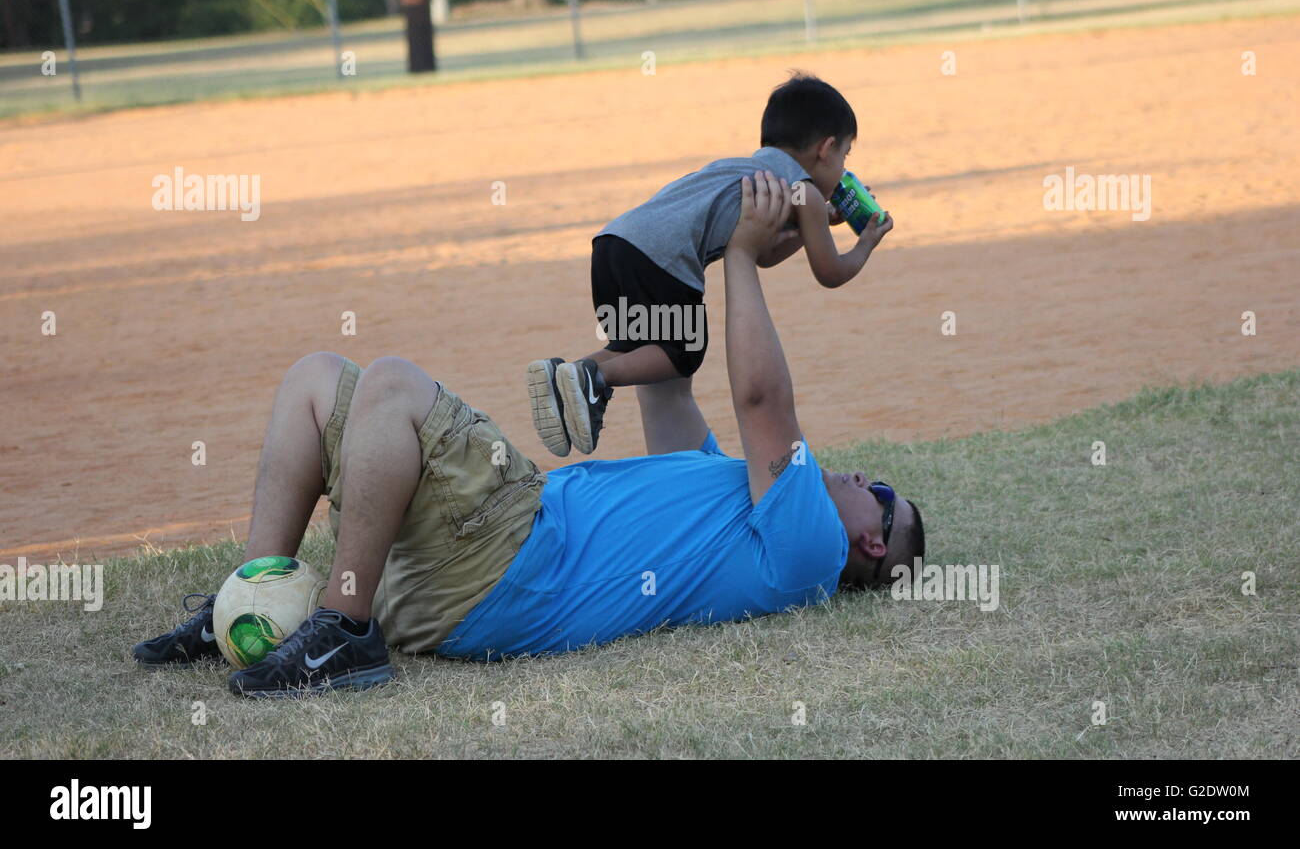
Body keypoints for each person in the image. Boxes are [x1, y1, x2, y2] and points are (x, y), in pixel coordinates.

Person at [132, 171, 923, 698]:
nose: (862, 479)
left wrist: (744, 262)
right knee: (316, 377)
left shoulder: (810, 552)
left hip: (512, 556)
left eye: (879, 495)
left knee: (396, 384)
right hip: (463, 574)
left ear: (874, 544)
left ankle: (343, 632)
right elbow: (674, 381)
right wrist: (706, 240)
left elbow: (760, 396)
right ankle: (251, 604)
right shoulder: (740, 508)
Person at [526, 71, 892, 457]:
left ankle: (563, 374)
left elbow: (764, 254)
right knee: (681, 354)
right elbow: (830, 273)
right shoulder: (807, 194)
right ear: (826, 148)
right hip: (663, 258)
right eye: (846, 155)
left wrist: (812, 227)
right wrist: (866, 242)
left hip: (613, 245)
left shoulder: (746, 170)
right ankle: (594, 377)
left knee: (639, 345)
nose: (844, 166)